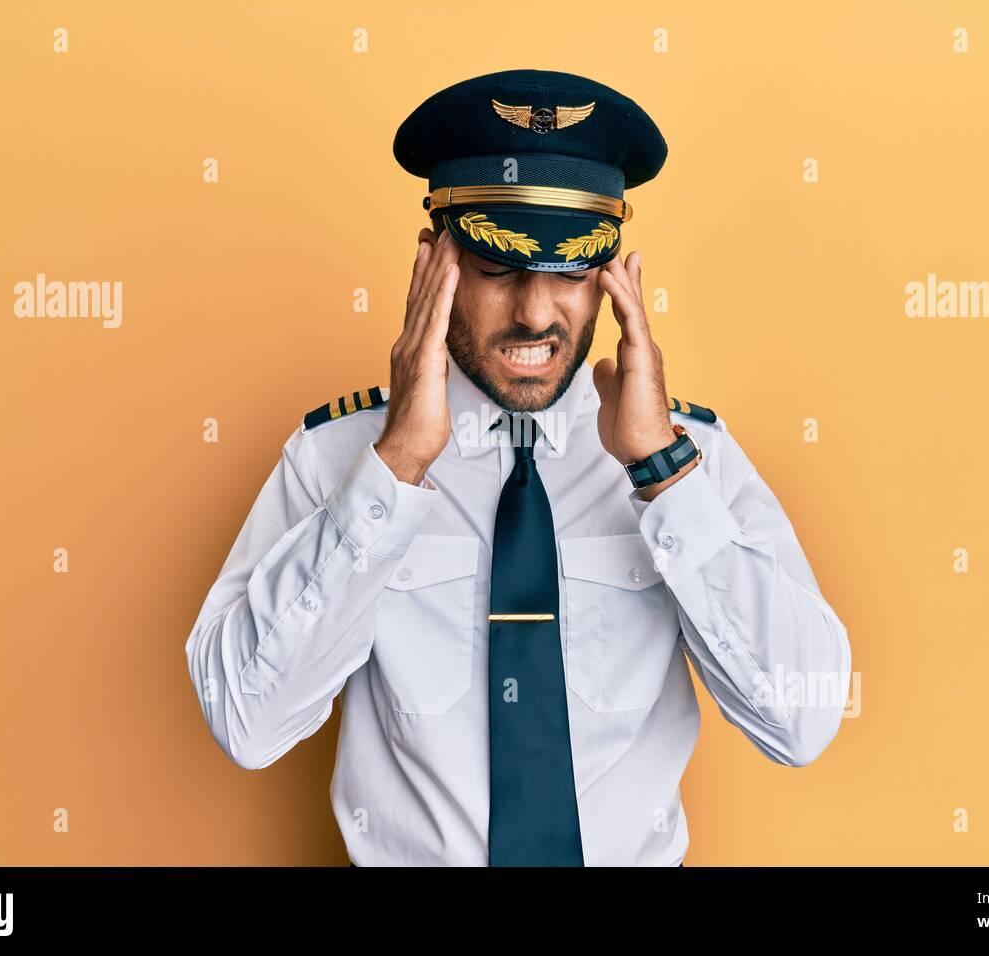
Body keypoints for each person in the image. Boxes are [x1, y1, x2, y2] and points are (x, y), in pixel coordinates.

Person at [184, 69, 852, 866]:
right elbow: (246, 723)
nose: (537, 312)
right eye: (499, 267)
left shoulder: (692, 460)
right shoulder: (337, 457)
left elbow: (803, 722)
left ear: (610, 275)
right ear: (435, 261)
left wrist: (664, 474)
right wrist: (394, 469)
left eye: (571, 269)